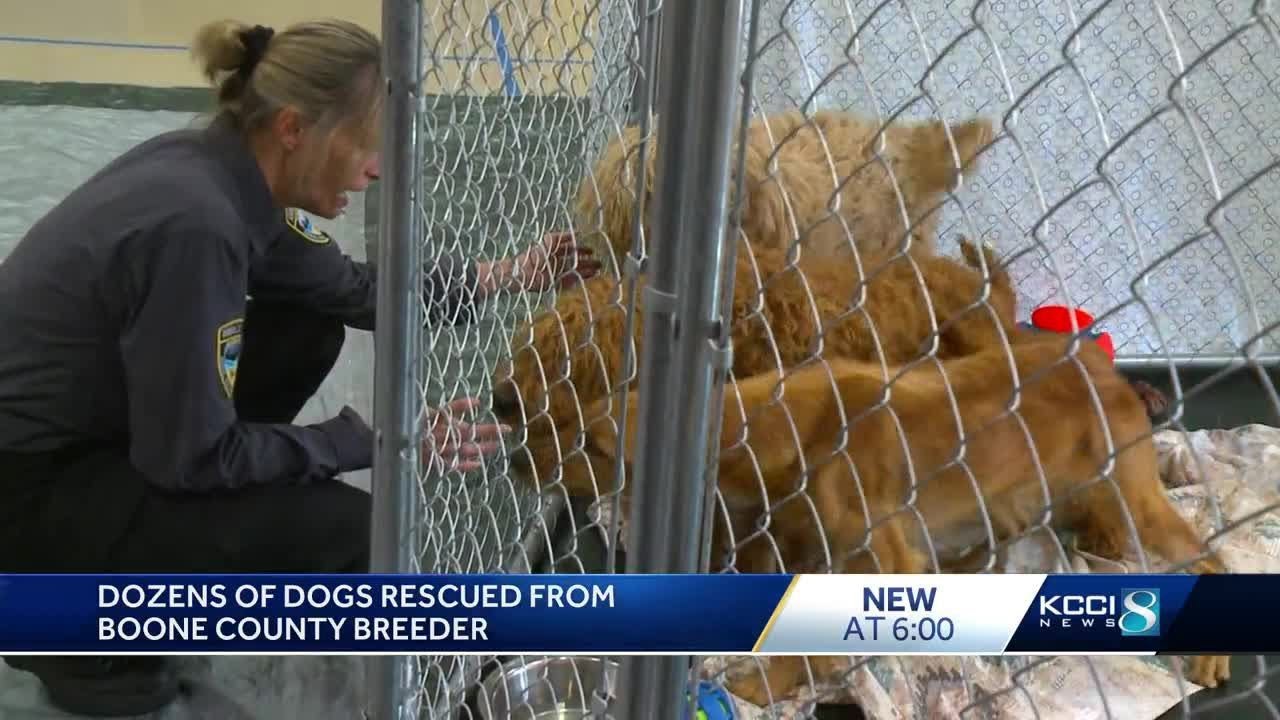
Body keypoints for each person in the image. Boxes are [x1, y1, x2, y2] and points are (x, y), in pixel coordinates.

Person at [0, 18, 599, 717]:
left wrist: (509, 274)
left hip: (90, 440)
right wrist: (372, 441)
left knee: (308, 324)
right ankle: (80, 635)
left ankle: (148, 563)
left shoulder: (222, 169)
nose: (375, 168)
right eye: (366, 144)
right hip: (29, 498)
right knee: (348, 531)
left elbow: (346, 288)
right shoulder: (198, 226)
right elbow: (192, 457)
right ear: (295, 128)